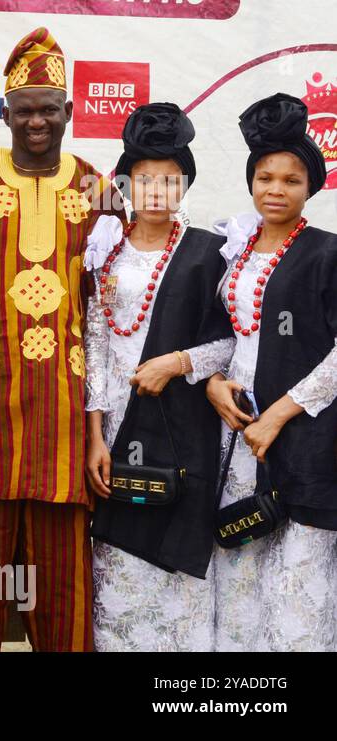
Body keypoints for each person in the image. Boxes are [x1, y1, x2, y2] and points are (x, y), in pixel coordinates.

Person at [0, 28, 122, 652]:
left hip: (66, 411)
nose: (35, 120)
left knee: (63, 591)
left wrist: (103, 415)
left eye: (48, 109)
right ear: (3, 112)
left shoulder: (97, 186)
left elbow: (115, 307)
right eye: (23, 109)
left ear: (68, 112)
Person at [82, 103, 233, 651]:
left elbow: (232, 343)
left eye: (169, 180)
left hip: (182, 426)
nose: (155, 191)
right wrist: (95, 434)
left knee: (178, 575)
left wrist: (179, 362)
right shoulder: (104, 256)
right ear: (123, 185)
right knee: (118, 571)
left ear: (185, 185)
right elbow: (95, 348)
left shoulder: (210, 254)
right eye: (143, 179)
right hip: (118, 429)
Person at [201, 93, 337, 651]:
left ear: (311, 188)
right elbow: (223, 336)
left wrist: (277, 415)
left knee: (298, 587)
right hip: (238, 441)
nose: (275, 190)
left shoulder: (328, 254)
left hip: (305, 439)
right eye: (265, 177)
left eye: (290, 180)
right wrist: (210, 382)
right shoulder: (232, 252)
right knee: (240, 581)